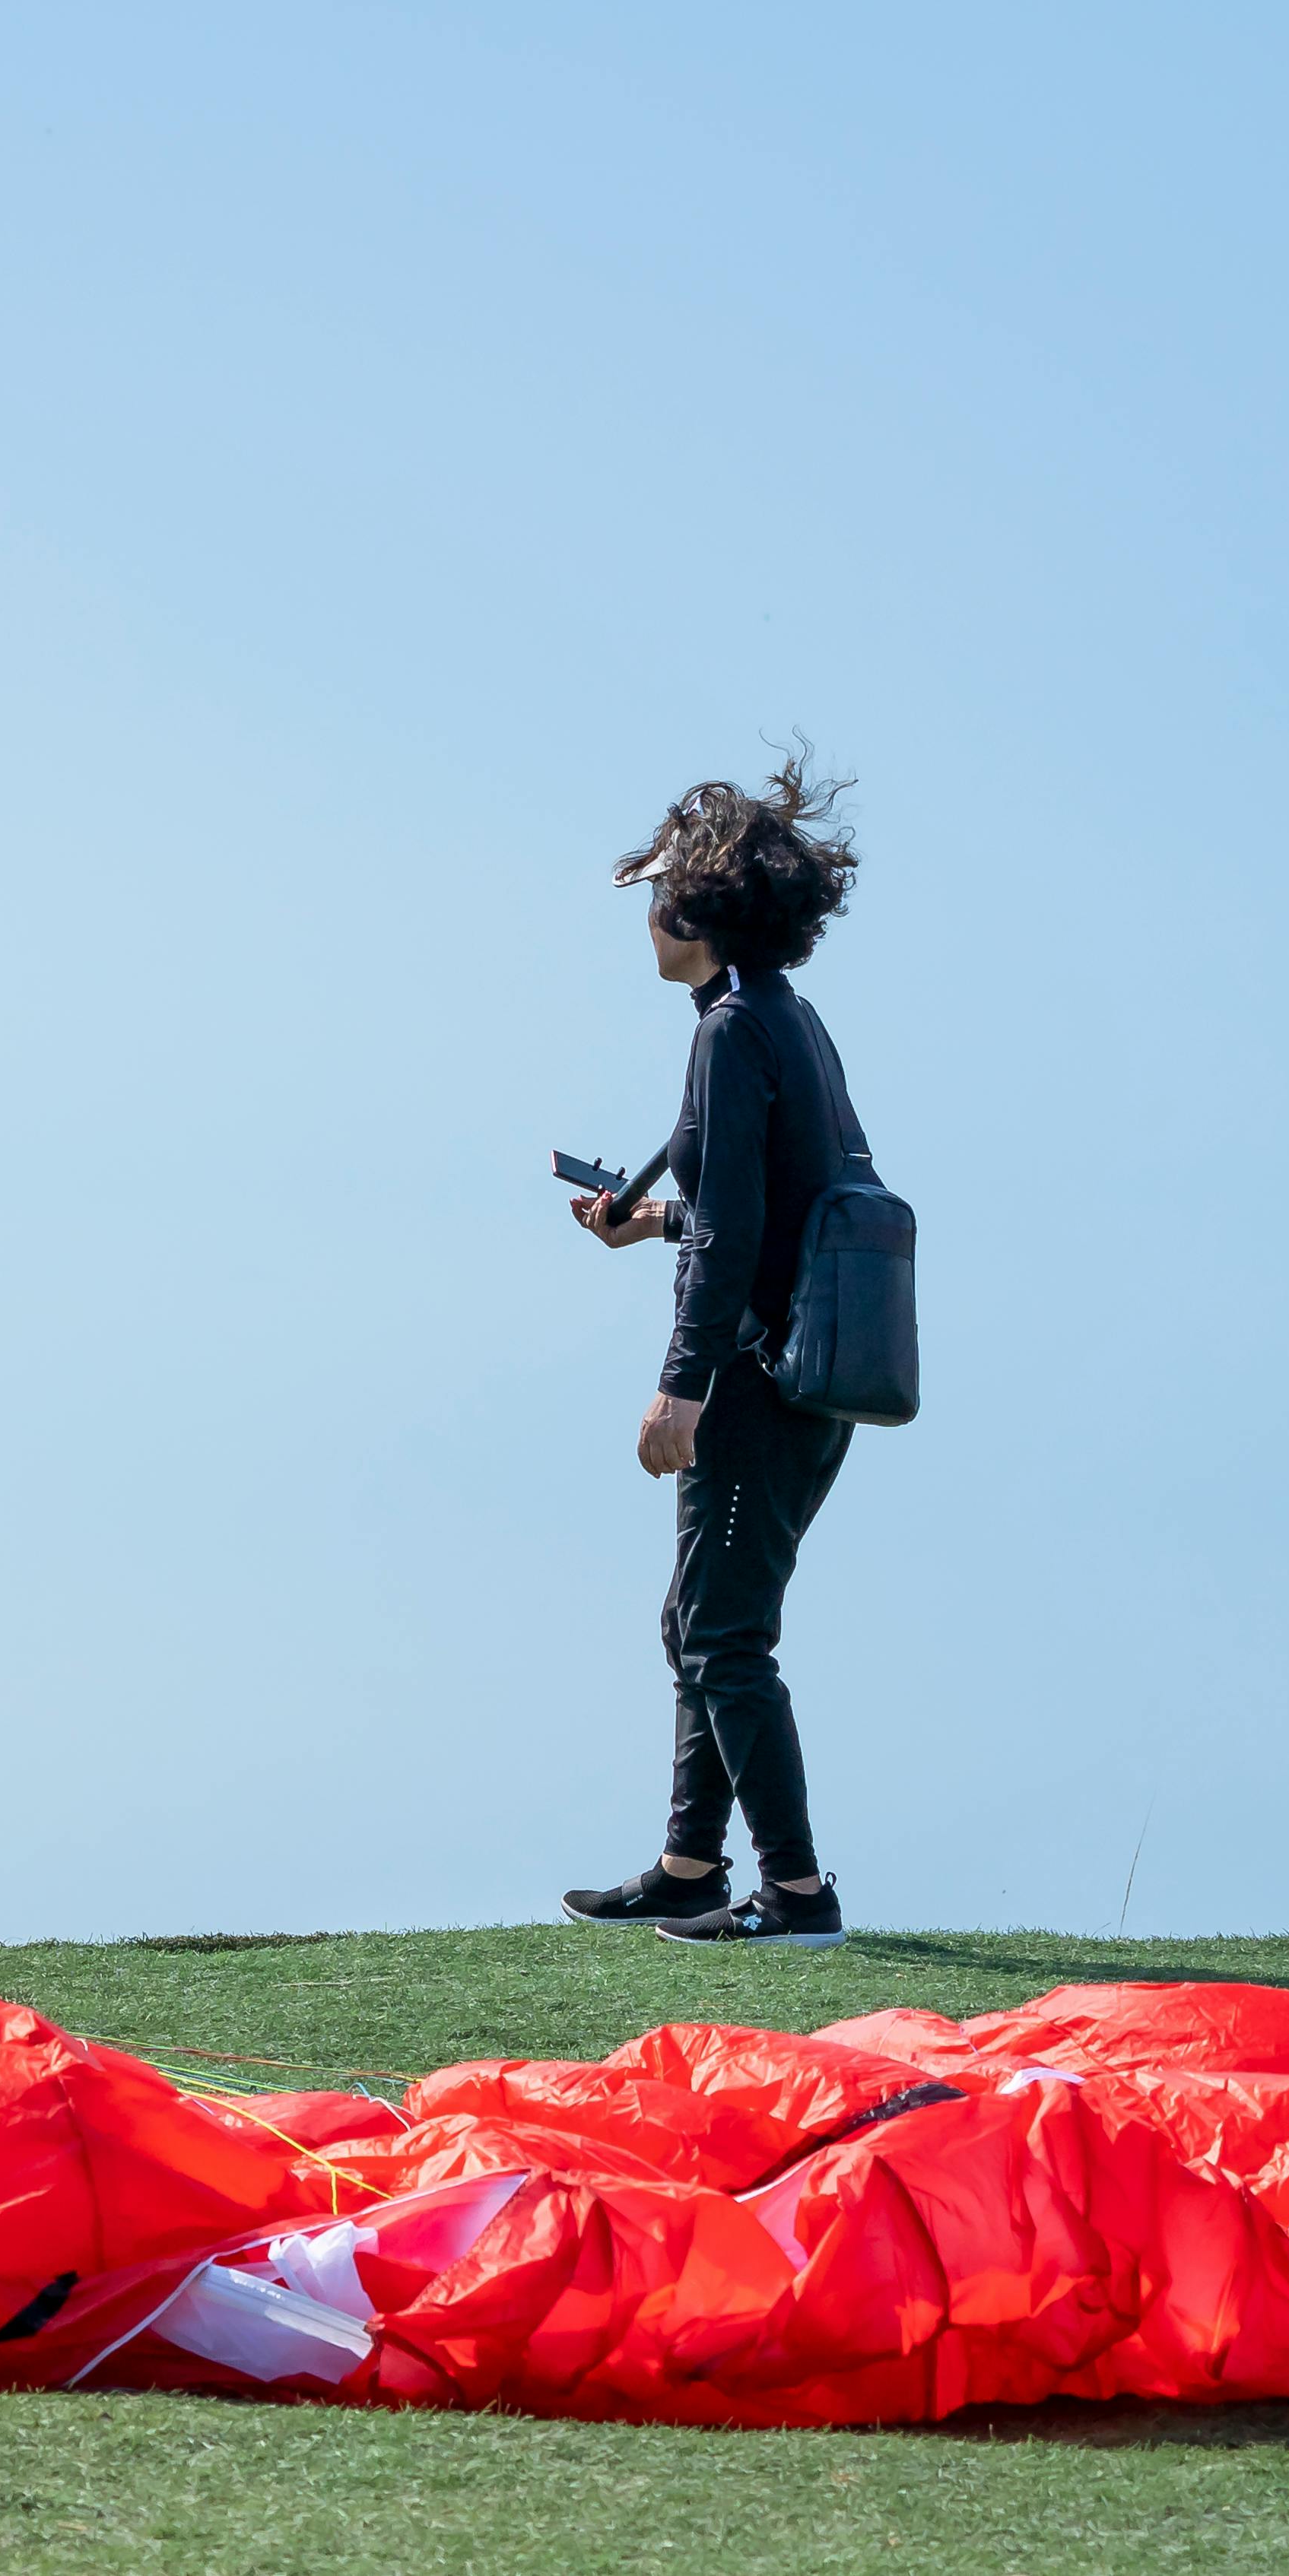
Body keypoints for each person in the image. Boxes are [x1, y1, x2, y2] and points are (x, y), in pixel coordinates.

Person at [560, 757, 869, 1947]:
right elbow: (765, 1207)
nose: (644, 918)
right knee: (698, 1617)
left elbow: (743, 1229)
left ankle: (795, 1894)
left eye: (654, 897)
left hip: (756, 1373)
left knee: (725, 1634)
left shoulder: (733, 1033)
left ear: (691, 914)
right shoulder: (779, 1021)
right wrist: (649, 1222)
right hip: (808, 1368)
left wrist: (678, 1388)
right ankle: (690, 1866)